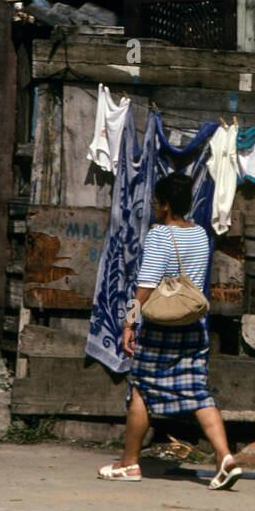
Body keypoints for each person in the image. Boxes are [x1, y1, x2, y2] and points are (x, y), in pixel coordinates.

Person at [97, 172, 241, 490]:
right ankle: (225, 456)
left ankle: (130, 462)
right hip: (192, 325)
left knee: (141, 390)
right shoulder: (201, 234)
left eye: (155, 202)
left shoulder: (160, 234)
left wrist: (129, 322)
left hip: (161, 328)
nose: (152, 207)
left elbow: (146, 285)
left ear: (164, 205)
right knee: (198, 393)